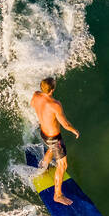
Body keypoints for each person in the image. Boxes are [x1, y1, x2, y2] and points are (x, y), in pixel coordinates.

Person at [30, 77, 80, 206]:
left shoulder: (36, 95)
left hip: (44, 133)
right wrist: (75, 131)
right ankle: (58, 195)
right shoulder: (55, 104)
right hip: (54, 138)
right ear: (52, 90)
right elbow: (65, 124)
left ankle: (44, 165)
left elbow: (32, 105)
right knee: (62, 165)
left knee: (51, 148)